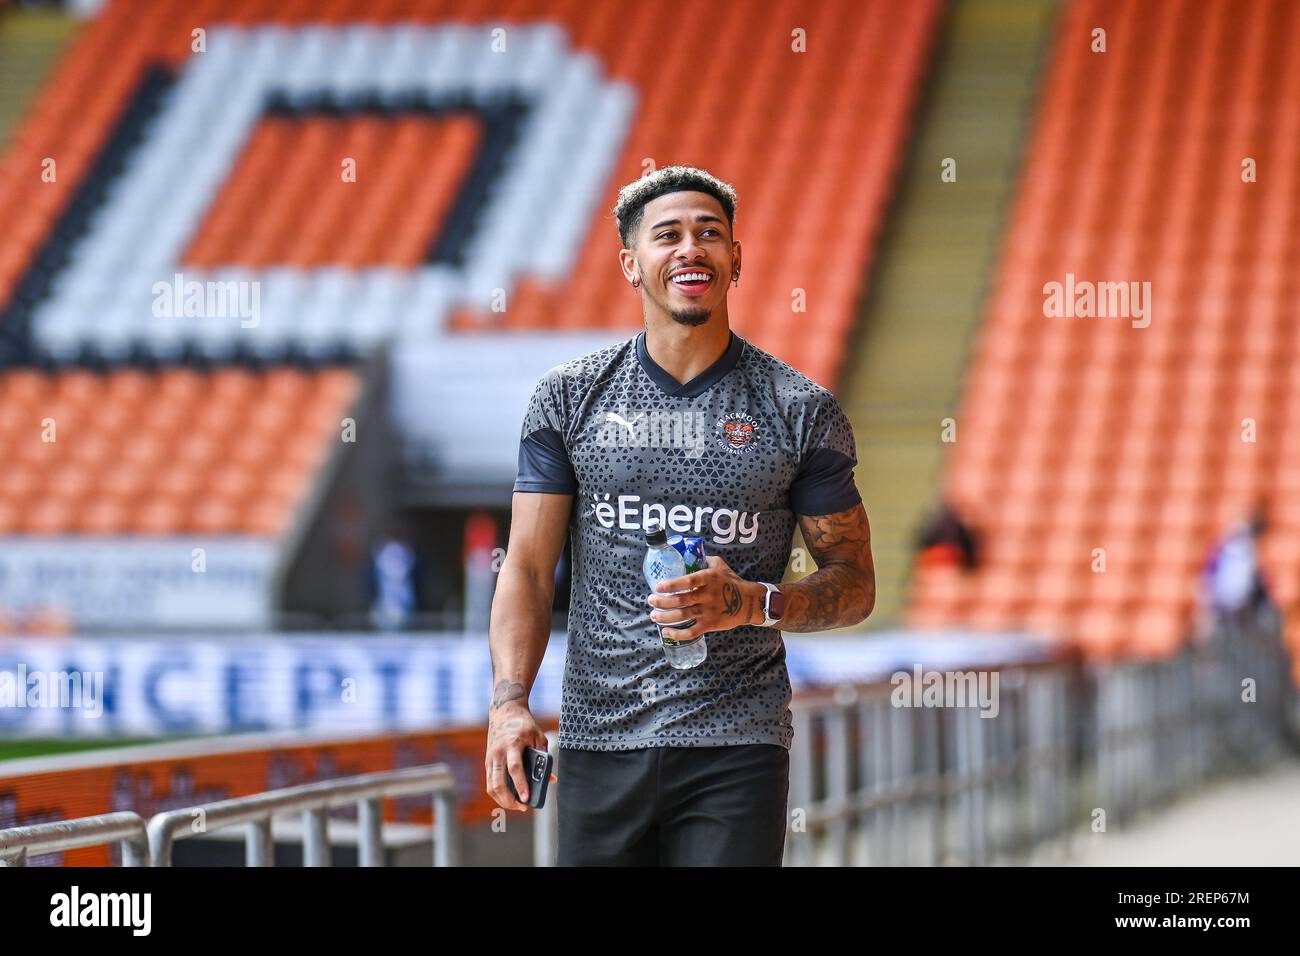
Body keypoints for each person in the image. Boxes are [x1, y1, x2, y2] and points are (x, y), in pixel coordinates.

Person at [485, 165, 875, 866]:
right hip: (600, 737)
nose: (691, 248)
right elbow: (529, 568)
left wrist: (752, 602)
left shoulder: (799, 410)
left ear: (737, 261)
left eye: (710, 234)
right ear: (631, 265)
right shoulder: (569, 399)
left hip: (737, 741)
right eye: (668, 236)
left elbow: (855, 583)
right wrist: (510, 704)